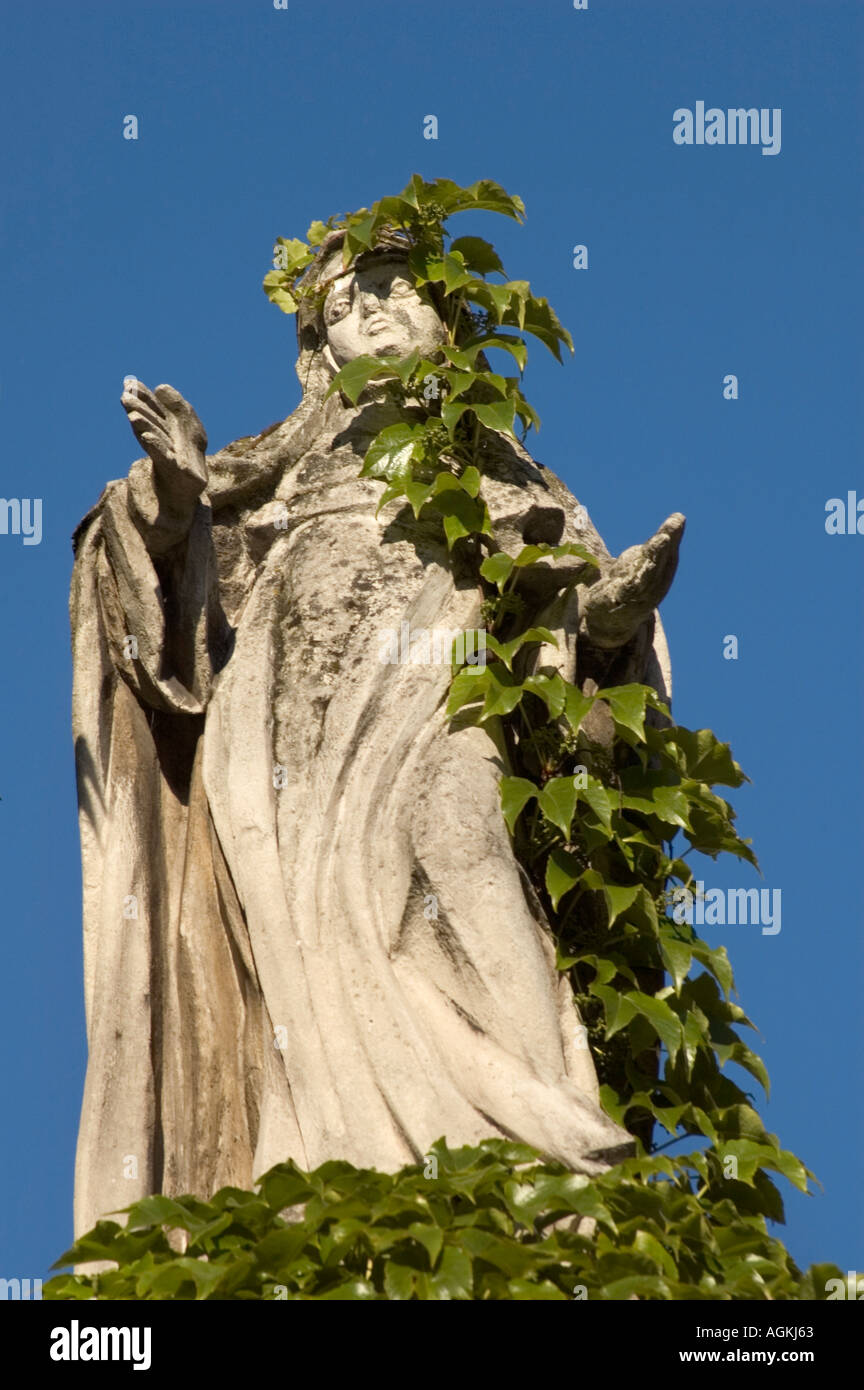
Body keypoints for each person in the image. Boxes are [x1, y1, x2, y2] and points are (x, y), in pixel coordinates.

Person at [71, 232, 683, 1236]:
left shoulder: (520, 485)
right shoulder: (267, 469)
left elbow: (593, 690)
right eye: (351, 304)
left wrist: (608, 627)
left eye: (404, 294)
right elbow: (149, 598)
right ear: (320, 349)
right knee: (309, 939)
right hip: (283, 727)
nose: (379, 314)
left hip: (446, 698)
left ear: (453, 328)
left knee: (464, 841)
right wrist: (171, 503)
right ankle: (333, 1163)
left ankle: (543, 1139)